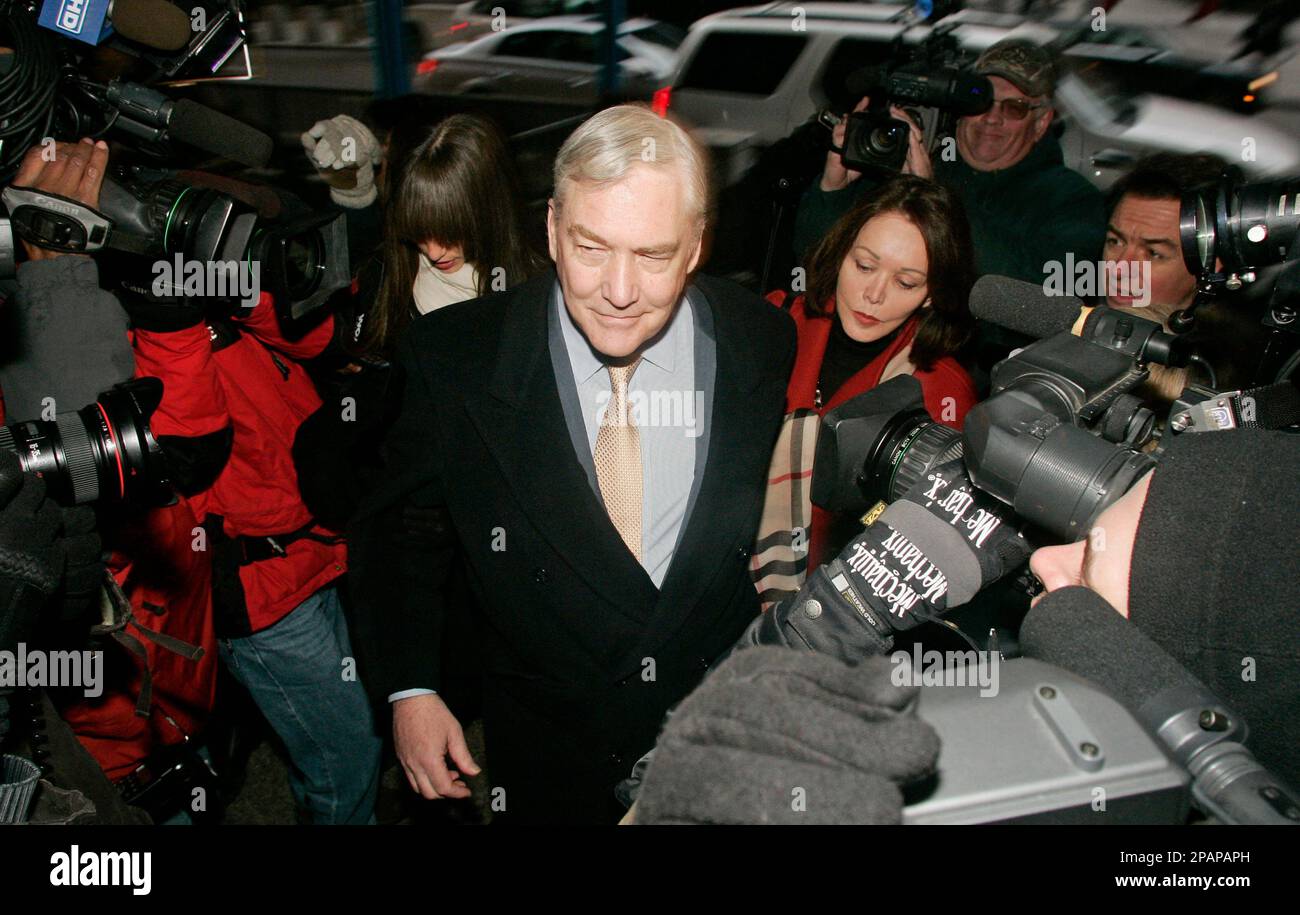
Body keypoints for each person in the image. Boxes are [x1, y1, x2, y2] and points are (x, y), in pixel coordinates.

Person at [351, 103, 796, 824]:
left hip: (719, 729)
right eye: (592, 247)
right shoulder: (453, 357)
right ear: (553, 229)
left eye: (653, 255)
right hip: (550, 744)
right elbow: (403, 533)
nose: (619, 292)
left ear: (696, 247)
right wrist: (411, 687)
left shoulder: (761, 340)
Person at [753, 175, 978, 604]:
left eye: (906, 282)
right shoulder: (775, 320)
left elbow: (922, 563)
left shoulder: (940, 396)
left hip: (827, 611)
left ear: (932, 295)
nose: (873, 294)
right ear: (841, 254)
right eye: (864, 265)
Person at [795, 39, 1106, 289]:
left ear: (1040, 124)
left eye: (1015, 108)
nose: (991, 118)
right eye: (979, 102)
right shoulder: (911, 161)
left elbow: (1041, 296)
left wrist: (937, 200)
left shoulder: (1073, 201)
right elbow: (814, 261)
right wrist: (832, 191)